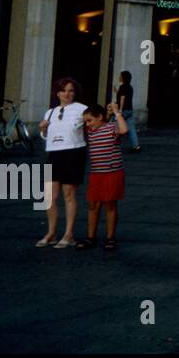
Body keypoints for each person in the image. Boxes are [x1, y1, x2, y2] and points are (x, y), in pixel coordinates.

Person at [36, 78, 88, 248]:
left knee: (69, 194)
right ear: (57, 93)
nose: (67, 94)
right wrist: (43, 129)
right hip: (54, 154)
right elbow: (46, 137)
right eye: (63, 90)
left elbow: (93, 126)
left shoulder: (81, 109)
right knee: (49, 196)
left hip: (74, 152)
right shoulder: (50, 112)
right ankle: (51, 233)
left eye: (70, 90)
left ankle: (68, 234)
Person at [77, 103, 129, 250]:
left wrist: (117, 112)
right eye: (86, 121)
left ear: (100, 118)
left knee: (110, 204)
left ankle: (110, 237)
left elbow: (124, 129)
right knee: (93, 205)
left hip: (113, 172)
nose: (88, 124)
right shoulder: (90, 131)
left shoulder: (111, 128)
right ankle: (90, 237)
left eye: (90, 120)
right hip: (96, 173)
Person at [115, 71, 141, 153]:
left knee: (114, 126)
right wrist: (116, 91)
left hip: (124, 110)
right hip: (130, 109)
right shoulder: (130, 87)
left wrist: (120, 111)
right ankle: (136, 146)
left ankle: (112, 145)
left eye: (120, 76)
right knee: (131, 129)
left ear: (123, 77)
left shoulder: (123, 86)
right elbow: (123, 96)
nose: (119, 77)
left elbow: (122, 98)